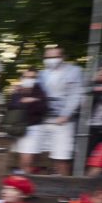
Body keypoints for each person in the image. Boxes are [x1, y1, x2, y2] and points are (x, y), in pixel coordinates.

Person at [39, 46, 84, 176]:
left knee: (62, 156)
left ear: (62, 57)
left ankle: (65, 188)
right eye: (48, 57)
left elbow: (76, 94)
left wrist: (66, 114)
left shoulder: (74, 71)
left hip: (63, 119)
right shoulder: (42, 73)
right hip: (45, 117)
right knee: (46, 154)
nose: (50, 60)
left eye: (54, 57)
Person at [8, 68, 49, 175]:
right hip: (18, 128)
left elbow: (42, 109)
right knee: (21, 159)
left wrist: (32, 101)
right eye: (26, 77)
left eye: (32, 77)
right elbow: (12, 106)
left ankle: (24, 181)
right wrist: (26, 101)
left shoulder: (40, 92)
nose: (29, 79)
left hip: (33, 128)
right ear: (22, 78)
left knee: (27, 160)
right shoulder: (17, 91)